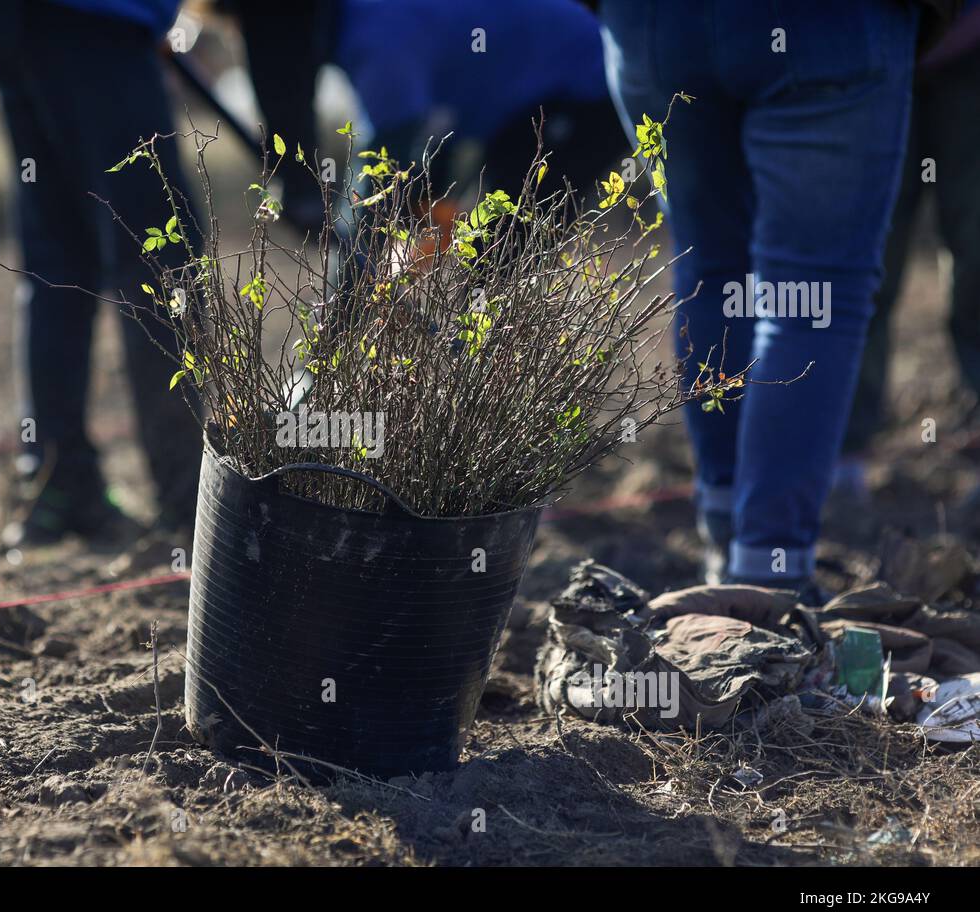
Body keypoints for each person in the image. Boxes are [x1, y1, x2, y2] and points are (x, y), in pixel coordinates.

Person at [597, 0, 922, 596]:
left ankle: (729, 542)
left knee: (714, 272)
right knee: (811, 292)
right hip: (829, 29)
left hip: (653, 27)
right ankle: (768, 572)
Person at [0, 0, 201, 547]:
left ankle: (57, 486)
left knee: (58, 255)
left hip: (13, 20)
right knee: (163, 252)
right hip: (101, 16)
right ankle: (194, 500)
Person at [838, 2, 980, 499]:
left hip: (969, 67)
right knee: (863, 260)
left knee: (976, 260)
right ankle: (843, 449)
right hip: (874, 63)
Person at [336, 0, 626, 204]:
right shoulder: (376, 23)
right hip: (521, 95)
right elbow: (432, 131)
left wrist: (348, 281)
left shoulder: (377, 35)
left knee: (508, 231)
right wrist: (429, 204)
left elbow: (384, 165)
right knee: (477, 228)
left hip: (589, 85)